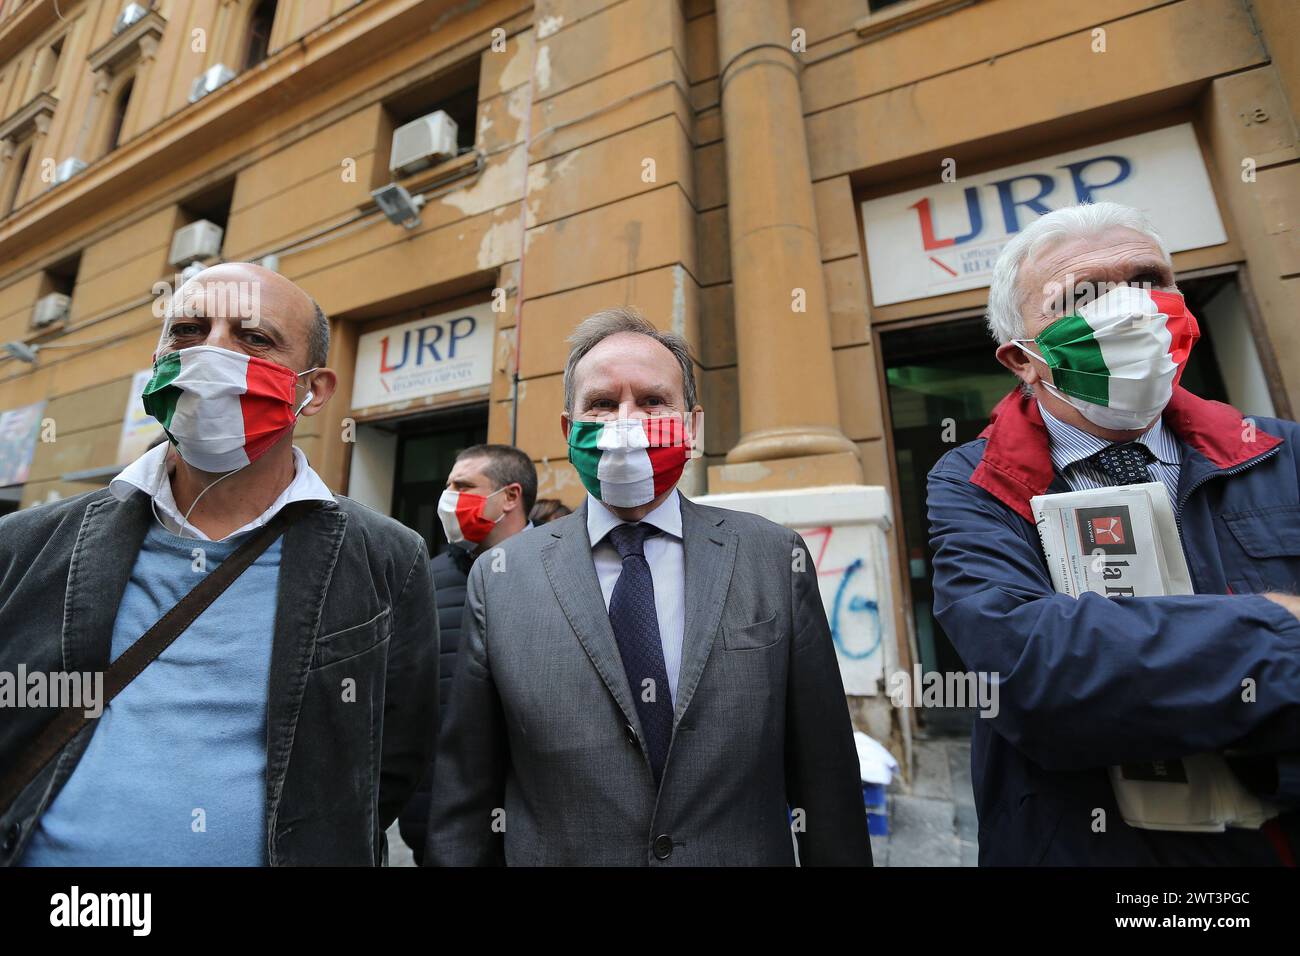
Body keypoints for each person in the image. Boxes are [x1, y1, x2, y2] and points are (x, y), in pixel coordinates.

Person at [0, 262, 438, 866]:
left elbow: (391, 758)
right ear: (156, 360)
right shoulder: (27, 543)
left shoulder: (387, 557)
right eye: (187, 330)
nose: (212, 354)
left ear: (313, 391)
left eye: (254, 339)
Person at [926, 201, 1300, 865]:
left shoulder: (1284, 453)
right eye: (1082, 296)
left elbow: (1085, 669)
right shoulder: (970, 481)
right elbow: (1027, 676)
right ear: (1022, 359)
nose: (1132, 308)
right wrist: (1281, 631)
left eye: (1150, 280)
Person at [427, 307, 870, 866]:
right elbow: (467, 787)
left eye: (653, 401)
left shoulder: (773, 558)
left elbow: (825, 773)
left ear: (692, 425)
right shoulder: (500, 579)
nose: (626, 422)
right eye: (603, 403)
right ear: (570, 430)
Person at [398, 443, 536, 862]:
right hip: (437, 824)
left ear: (510, 496)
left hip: (538, 824)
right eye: (447, 486)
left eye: (463, 486)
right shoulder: (422, 577)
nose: (449, 499)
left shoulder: (561, 570)